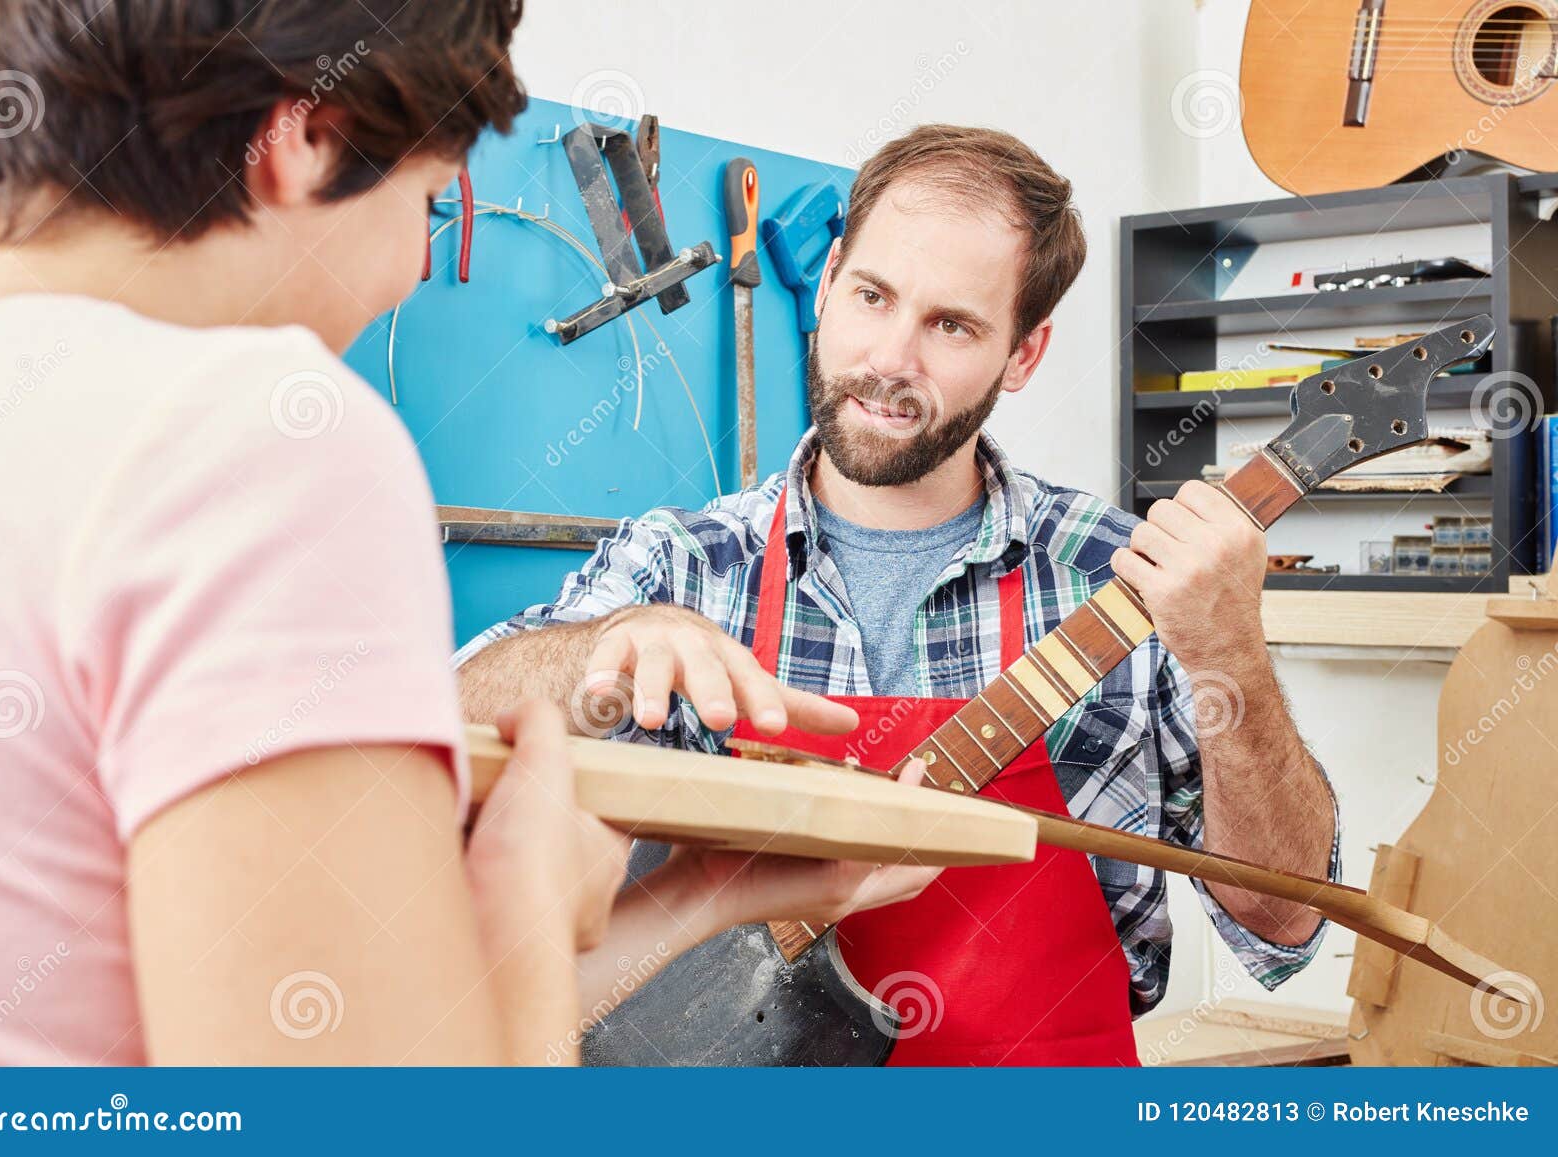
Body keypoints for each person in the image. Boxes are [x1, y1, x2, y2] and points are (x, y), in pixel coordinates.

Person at [0, 0, 933, 1067]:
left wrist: (698, 896)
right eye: (428, 205)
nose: (414, 272)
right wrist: (527, 909)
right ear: (309, 137)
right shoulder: (246, 431)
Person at [456, 124, 1342, 1066]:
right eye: (872, 296)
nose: (889, 358)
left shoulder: (1130, 579)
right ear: (829, 278)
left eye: (951, 324)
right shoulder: (680, 565)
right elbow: (435, 730)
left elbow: (1283, 920)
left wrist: (1229, 653)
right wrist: (603, 642)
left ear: (1024, 354)